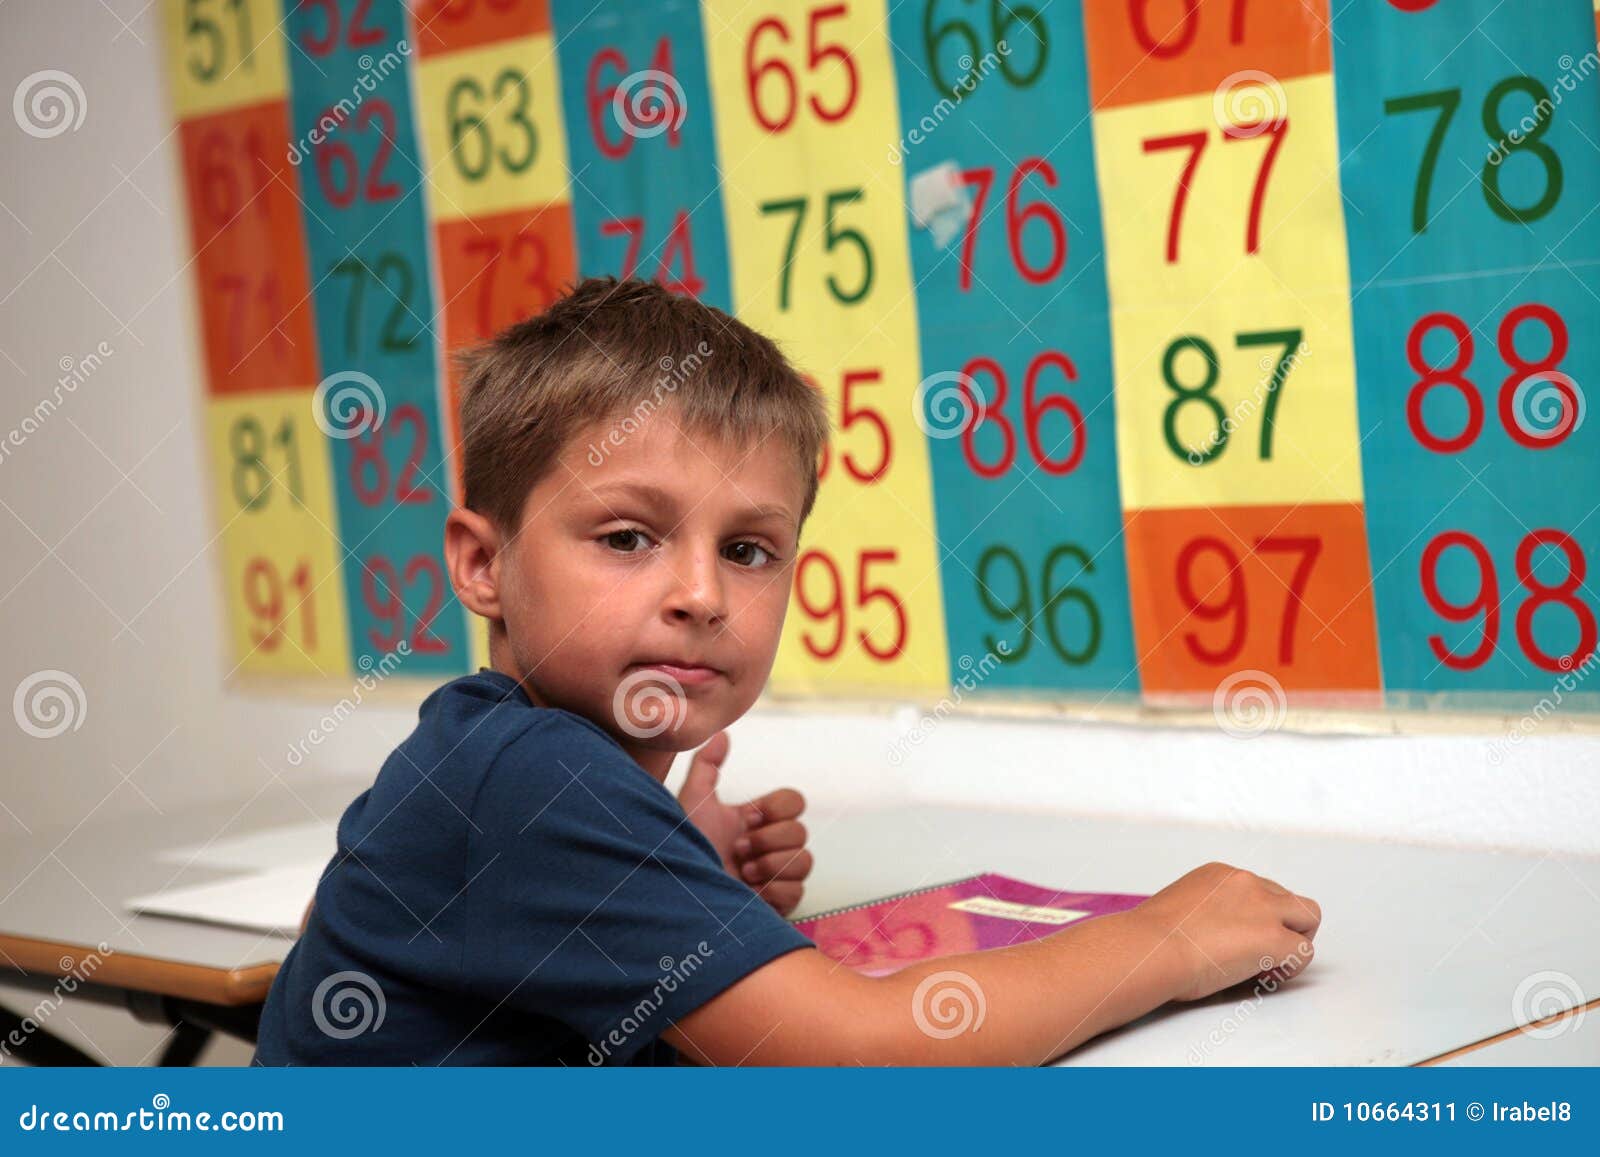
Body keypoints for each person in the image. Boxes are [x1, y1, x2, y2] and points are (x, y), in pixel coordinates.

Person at [254, 277, 1320, 1066]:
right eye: (627, 537)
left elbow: (351, 920)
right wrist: (1162, 937)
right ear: (483, 564)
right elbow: (860, 1062)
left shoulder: (484, 743)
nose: (702, 593)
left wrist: (672, 870)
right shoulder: (531, 773)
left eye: (748, 549)